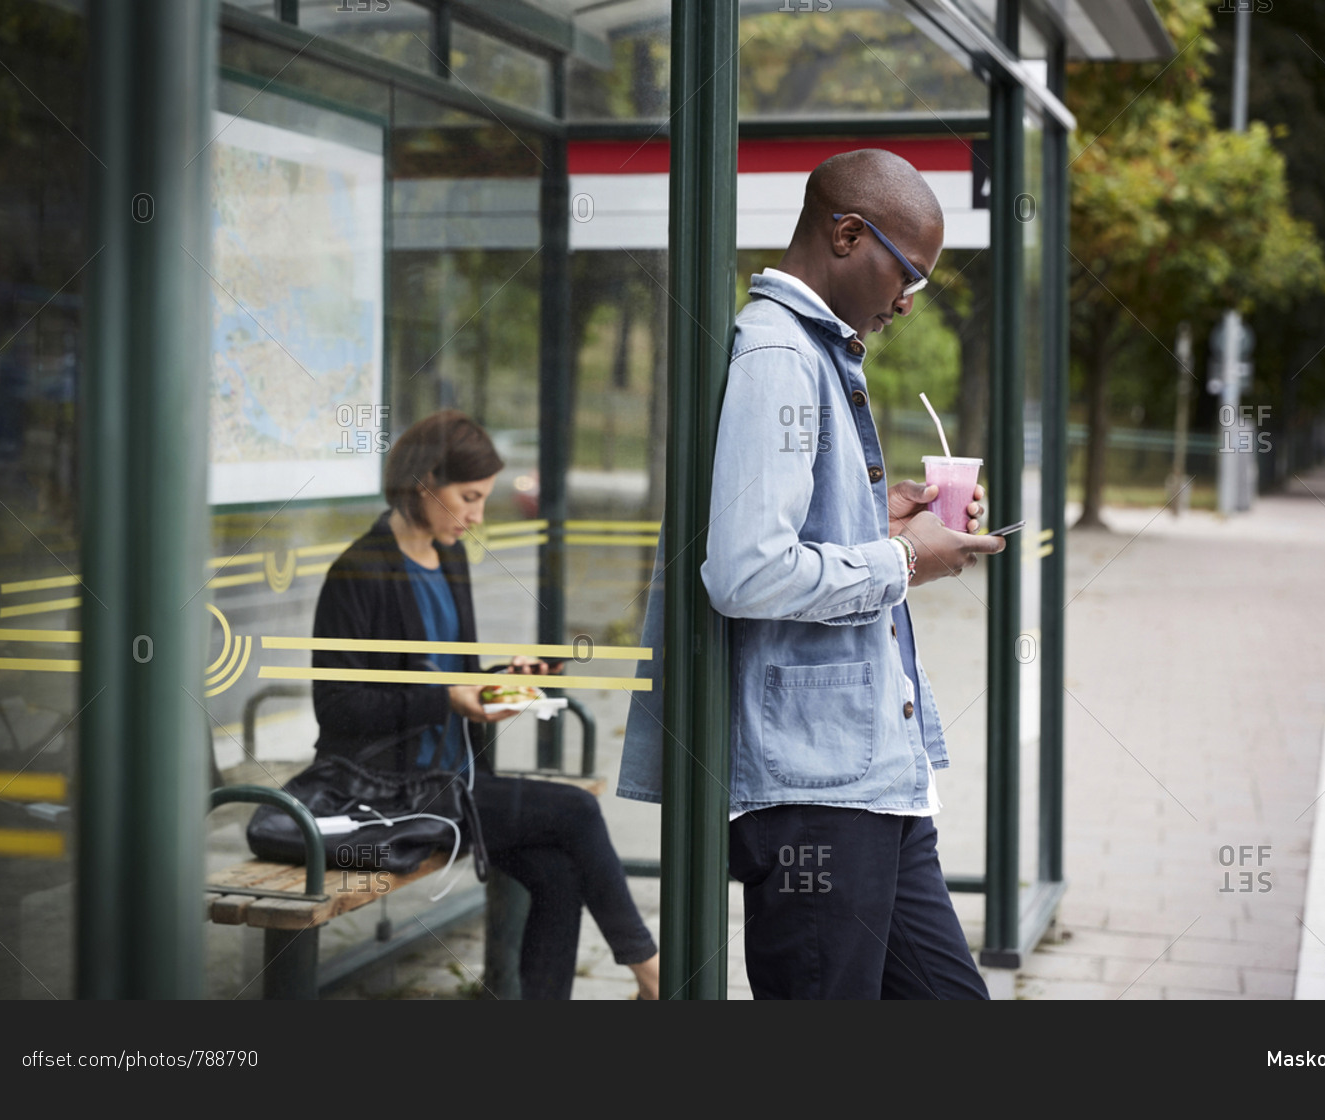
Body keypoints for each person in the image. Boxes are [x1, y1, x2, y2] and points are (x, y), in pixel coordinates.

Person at [619, 149, 1004, 998]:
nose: (908, 299)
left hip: (872, 781)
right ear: (846, 233)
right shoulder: (781, 359)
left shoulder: (817, 353)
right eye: (908, 275)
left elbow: (792, 539)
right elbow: (748, 574)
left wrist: (883, 524)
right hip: (817, 794)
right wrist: (904, 559)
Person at [311, 410, 660, 999]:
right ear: (423, 483)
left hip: (453, 783)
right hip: (388, 793)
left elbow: (454, 680)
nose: (476, 516)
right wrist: (447, 696)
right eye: (468, 498)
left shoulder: (449, 559)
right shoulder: (358, 572)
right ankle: (653, 973)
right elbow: (339, 708)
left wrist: (503, 680)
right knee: (574, 811)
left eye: (483, 499)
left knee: (554, 873)